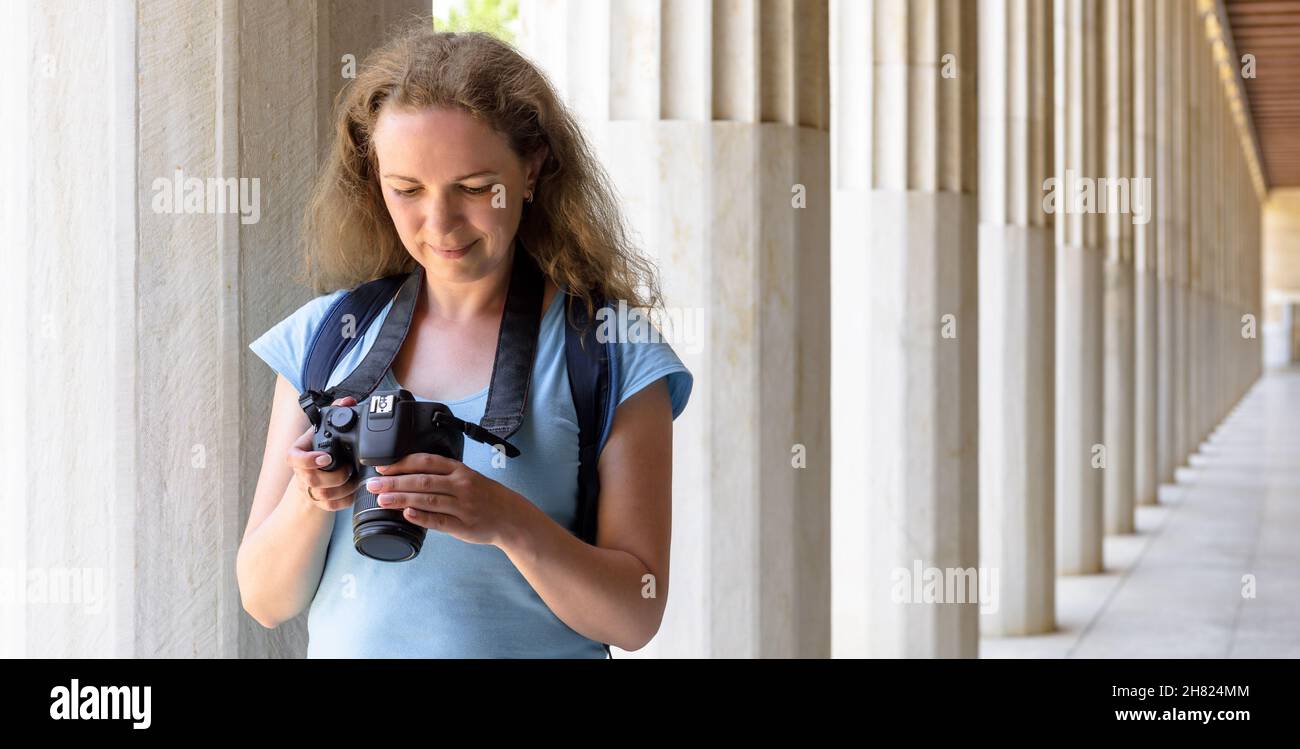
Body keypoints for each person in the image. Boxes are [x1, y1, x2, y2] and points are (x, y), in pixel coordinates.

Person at [236, 25, 692, 658]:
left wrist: (505, 520)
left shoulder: (612, 351)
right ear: (374, 180)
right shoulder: (325, 339)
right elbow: (264, 600)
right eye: (407, 190)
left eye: (476, 189)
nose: (440, 224)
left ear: (532, 167)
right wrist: (313, 501)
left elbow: (635, 617)